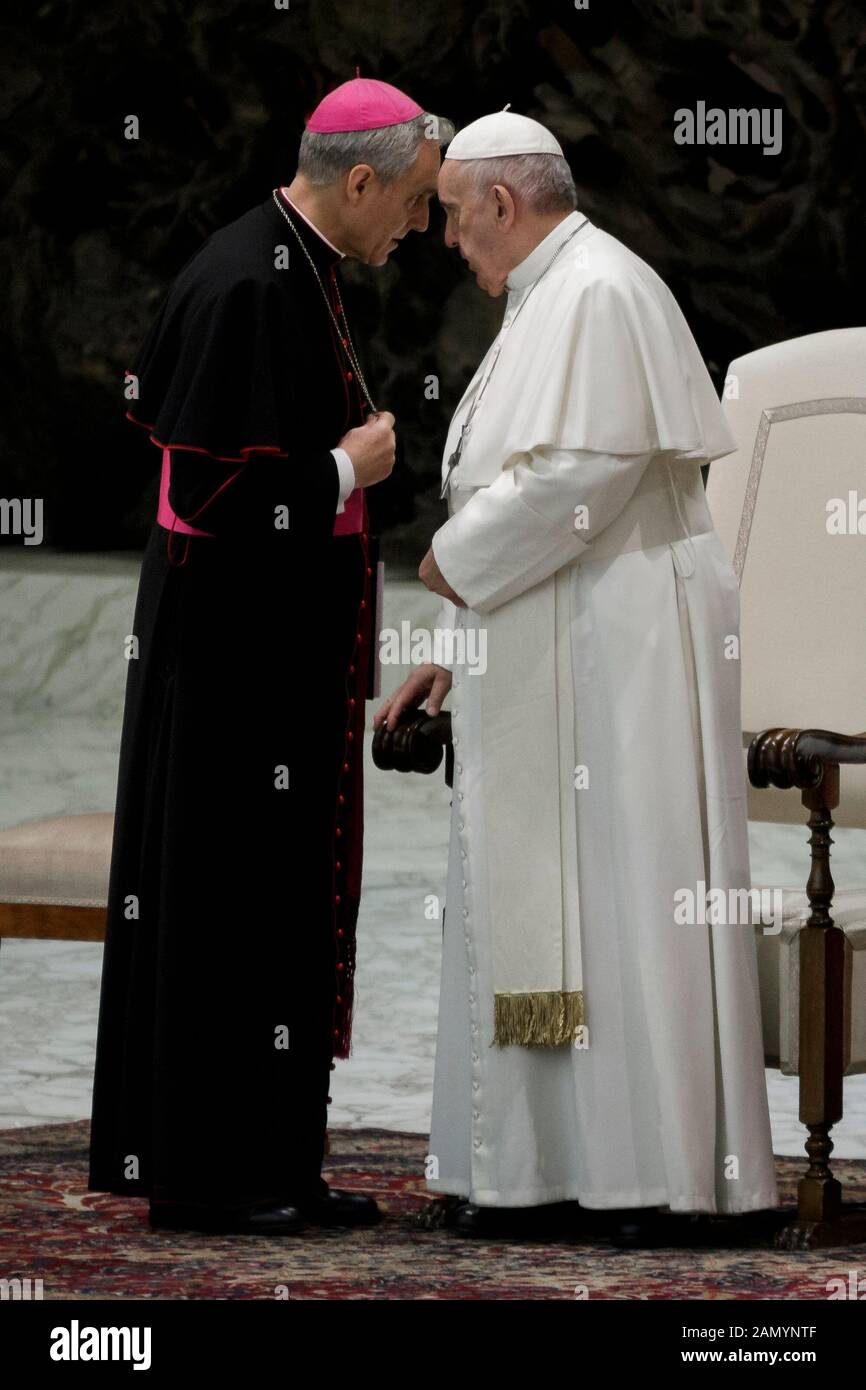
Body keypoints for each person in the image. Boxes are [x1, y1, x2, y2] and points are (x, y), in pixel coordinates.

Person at [375, 111, 779, 1246]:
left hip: (625, 649)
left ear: (501, 202)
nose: (448, 240)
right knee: (547, 908)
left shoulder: (598, 290)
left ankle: (656, 1178)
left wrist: (452, 563)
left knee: (621, 899)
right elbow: (528, 488)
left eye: (453, 216)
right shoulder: (544, 296)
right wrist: (451, 653)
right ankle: (541, 1170)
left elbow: (580, 478)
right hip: (555, 633)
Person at [88, 78, 454, 1236]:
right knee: (228, 910)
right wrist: (350, 471)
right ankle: (213, 1176)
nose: (417, 228)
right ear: (357, 179)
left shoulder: (299, 262)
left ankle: (278, 1164)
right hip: (230, 680)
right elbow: (209, 494)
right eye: (409, 203)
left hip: (271, 669)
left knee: (279, 913)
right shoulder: (250, 278)